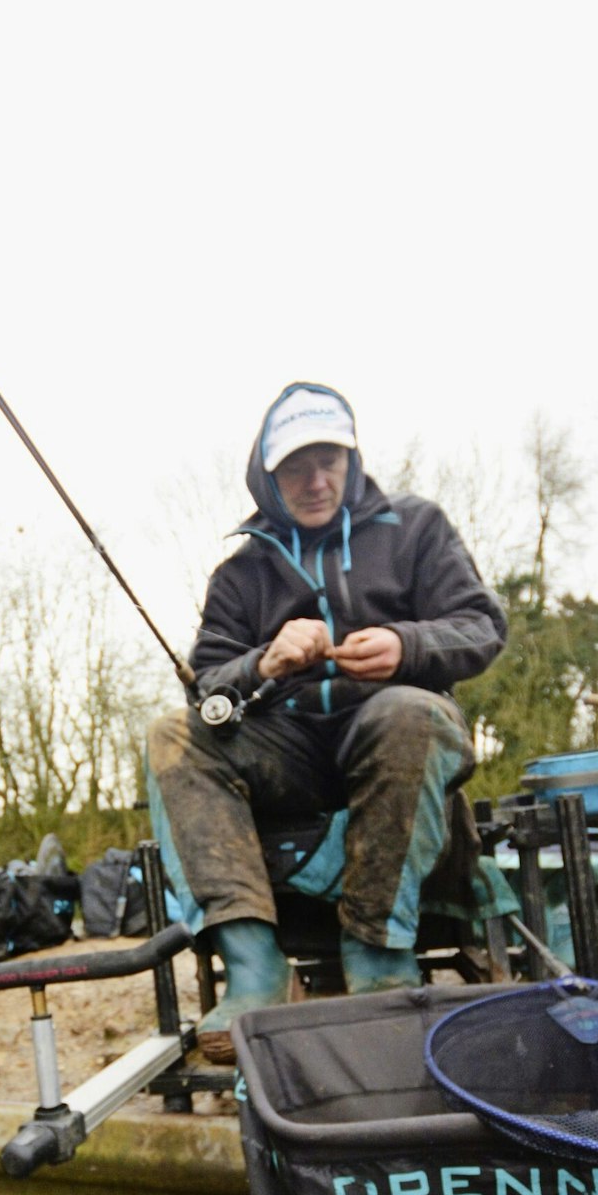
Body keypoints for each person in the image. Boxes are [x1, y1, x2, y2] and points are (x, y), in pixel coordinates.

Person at [147, 380, 507, 1059]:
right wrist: (266, 662)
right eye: (295, 468)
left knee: (406, 711)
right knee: (171, 735)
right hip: (290, 755)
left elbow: (482, 625)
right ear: (268, 474)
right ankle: (254, 970)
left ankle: (377, 956)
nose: (315, 481)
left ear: (351, 459)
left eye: (328, 462)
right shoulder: (240, 574)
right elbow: (209, 686)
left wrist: (407, 645)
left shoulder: (418, 528)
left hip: (396, 738)